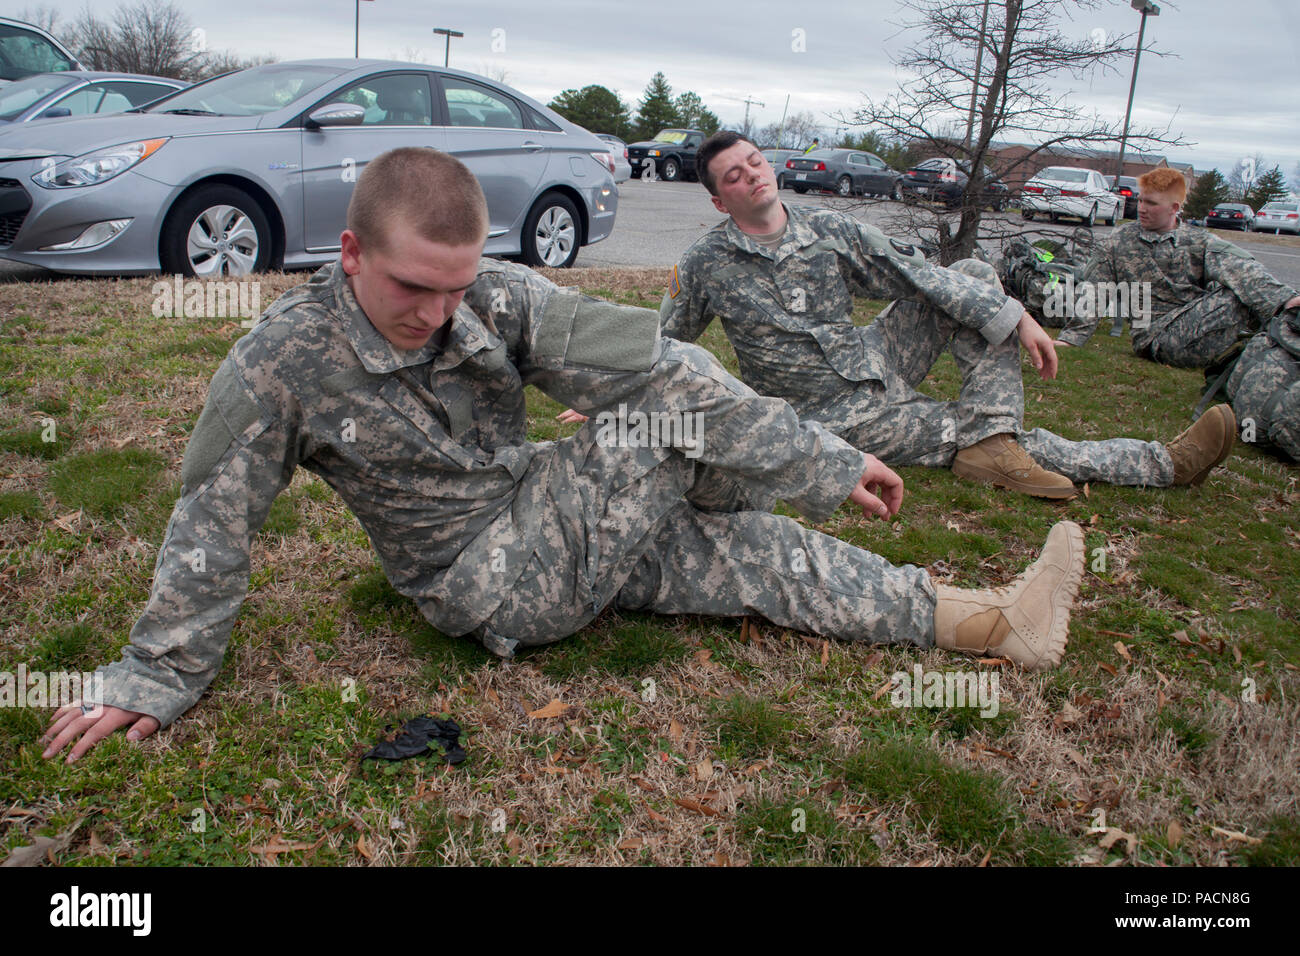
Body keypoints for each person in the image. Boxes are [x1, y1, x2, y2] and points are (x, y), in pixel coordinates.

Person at [42, 147, 1086, 764]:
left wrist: (815, 459)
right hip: (481, 580)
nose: (440, 314)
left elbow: (648, 357)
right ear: (348, 253)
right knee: (660, 436)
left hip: (546, 509)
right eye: (413, 287)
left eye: (457, 286)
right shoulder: (276, 364)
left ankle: (990, 621)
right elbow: (210, 523)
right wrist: (156, 671)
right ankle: (743, 477)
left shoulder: (492, 297)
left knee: (750, 553)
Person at [558, 132, 1234, 499]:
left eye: (754, 162)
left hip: (874, 360)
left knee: (967, 276)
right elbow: (661, 332)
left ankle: (993, 440)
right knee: (965, 433)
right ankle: (1156, 465)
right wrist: (601, 391)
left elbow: (919, 276)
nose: (750, 175)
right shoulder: (707, 260)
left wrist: (1017, 315)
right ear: (718, 200)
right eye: (732, 175)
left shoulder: (830, 229)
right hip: (828, 414)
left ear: (770, 169)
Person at [1057, 167, 1300, 368]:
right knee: (1233, 295)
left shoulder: (1199, 241)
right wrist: (1072, 338)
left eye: (1151, 203)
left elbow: (1241, 267)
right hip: (1156, 338)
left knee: (1238, 282)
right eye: (1140, 200)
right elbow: (1095, 290)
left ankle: (1281, 337)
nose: (1141, 208)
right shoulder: (1120, 239)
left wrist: (1284, 298)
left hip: (1196, 326)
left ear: (1174, 208)